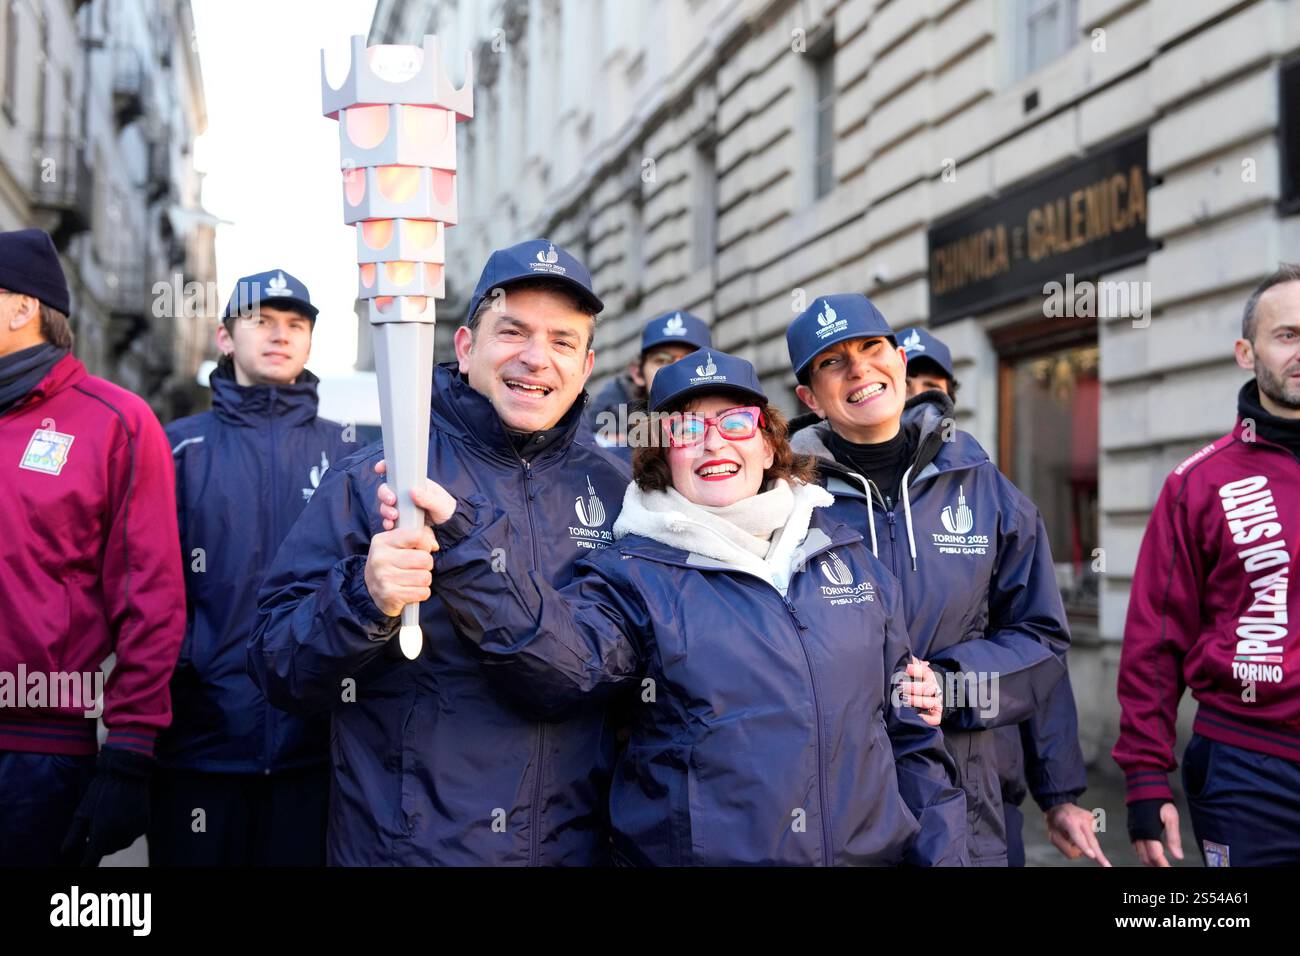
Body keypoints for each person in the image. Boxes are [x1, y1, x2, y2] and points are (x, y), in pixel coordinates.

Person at [380, 349, 967, 865]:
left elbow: (910, 735)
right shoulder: (633, 574)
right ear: (664, 457)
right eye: (686, 430)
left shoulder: (845, 554)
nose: (714, 442)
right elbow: (563, 669)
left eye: (736, 422)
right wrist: (468, 545)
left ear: (767, 444)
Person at [249, 239, 629, 865]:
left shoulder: (617, 491)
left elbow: (603, 673)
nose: (536, 359)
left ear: (586, 366)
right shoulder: (377, 475)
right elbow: (275, 664)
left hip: (570, 851)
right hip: (408, 851)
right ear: (464, 346)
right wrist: (363, 598)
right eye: (513, 332)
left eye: (562, 341)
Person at [785, 294, 1079, 867]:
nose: (859, 369)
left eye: (871, 348)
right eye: (832, 362)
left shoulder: (983, 487)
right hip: (838, 807)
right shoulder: (786, 504)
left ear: (898, 358)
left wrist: (950, 687)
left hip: (971, 801)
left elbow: (1042, 640)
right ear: (809, 397)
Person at [151, 269, 355, 866]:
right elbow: (146, 589)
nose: (279, 335)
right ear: (224, 336)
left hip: (313, 751)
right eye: (261, 321)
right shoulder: (177, 448)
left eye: (296, 324)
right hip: (199, 747)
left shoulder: (347, 453)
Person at [0, 228, 185, 865]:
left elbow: (152, 598)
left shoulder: (116, 422)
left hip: (38, 752)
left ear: (22, 307)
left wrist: (130, 752)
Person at [1116, 263, 1300, 867]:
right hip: (1248, 770)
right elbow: (1154, 640)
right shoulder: (1198, 484)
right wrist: (1146, 778)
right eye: (1288, 334)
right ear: (1247, 352)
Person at [899, 324, 1099, 867]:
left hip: (984, 783)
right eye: (907, 378)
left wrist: (1060, 793)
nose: (917, 394)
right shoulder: (831, 496)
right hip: (877, 790)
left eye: (930, 383)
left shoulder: (993, 495)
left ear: (949, 396)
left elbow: (1037, 656)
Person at [585, 310, 712, 461]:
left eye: (691, 361)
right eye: (663, 360)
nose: (677, 370)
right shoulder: (607, 434)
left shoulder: (738, 425)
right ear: (638, 373)